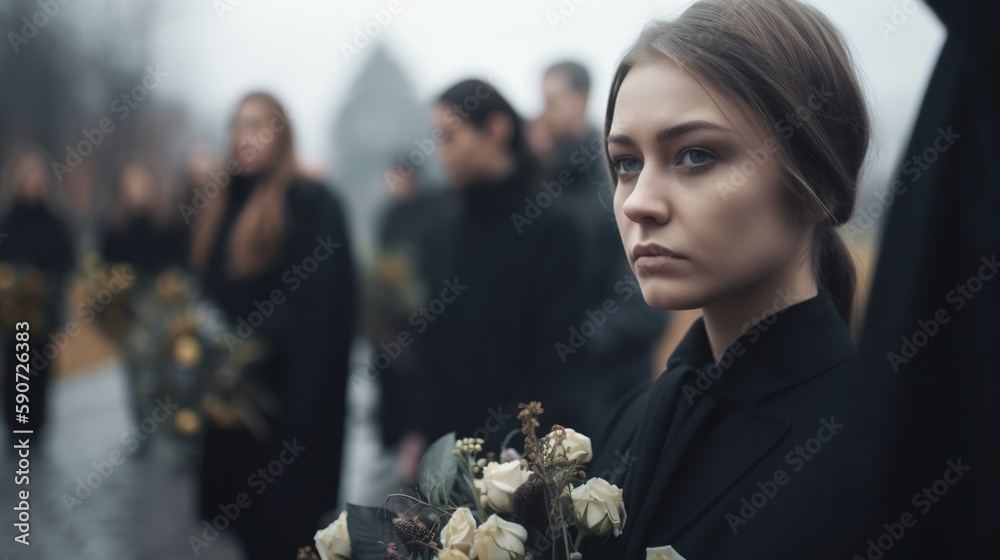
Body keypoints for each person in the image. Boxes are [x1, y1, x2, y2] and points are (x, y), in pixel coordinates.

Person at [584, 1, 872, 558]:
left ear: (817, 183)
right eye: (625, 163)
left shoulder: (883, 449)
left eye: (695, 155)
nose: (640, 203)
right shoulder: (629, 425)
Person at [189, 92, 357, 560]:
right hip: (232, 411)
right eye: (237, 125)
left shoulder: (311, 203)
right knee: (245, 529)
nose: (244, 138)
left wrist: (248, 347)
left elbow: (316, 308)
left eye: (259, 125)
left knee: (283, 533)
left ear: (282, 133)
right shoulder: (224, 205)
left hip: (288, 413)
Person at [402, 79, 588, 457]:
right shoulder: (441, 229)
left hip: (519, 460)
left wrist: (503, 450)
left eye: (449, 137)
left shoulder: (552, 229)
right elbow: (434, 344)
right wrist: (420, 433)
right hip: (445, 454)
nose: (440, 153)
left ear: (497, 130)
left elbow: (555, 360)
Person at [538, 60, 668, 438]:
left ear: (582, 99)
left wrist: (580, 338)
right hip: (550, 398)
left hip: (609, 399)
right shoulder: (543, 182)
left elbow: (643, 299)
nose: (544, 114)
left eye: (553, 101)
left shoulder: (613, 183)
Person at [0, 144, 75, 444]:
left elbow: (67, 260)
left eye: (36, 174)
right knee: (14, 365)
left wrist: (44, 283)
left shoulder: (57, 221)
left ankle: (38, 425)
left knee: (39, 367)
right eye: (26, 174)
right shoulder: (6, 220)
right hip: (11, 312)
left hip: (44, 311)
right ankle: (16, 425)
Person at [100, 160, 187, 273]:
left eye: (141, 184)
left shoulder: (169, 230)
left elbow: (177, 270)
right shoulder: (112, 231)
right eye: (131, 185)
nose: (136, 191)